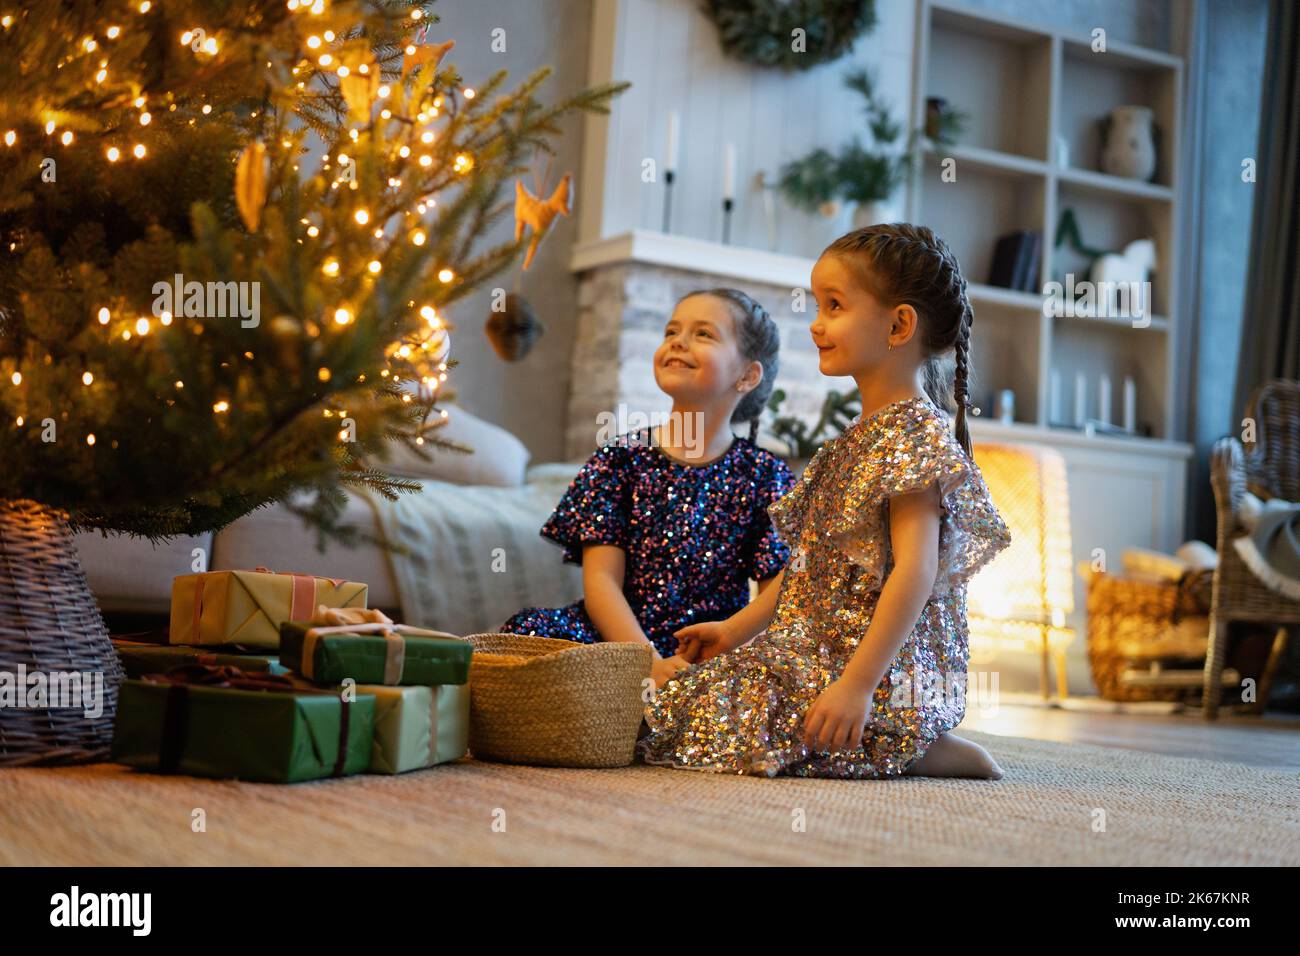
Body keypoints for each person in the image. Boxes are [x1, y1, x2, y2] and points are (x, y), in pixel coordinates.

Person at [639, 224, 1013, 779]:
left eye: (834, 306)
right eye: (818, 305)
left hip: (878, 667)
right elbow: (812, 570)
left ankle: (903, 735)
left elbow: (916, 570)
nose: (816, 324)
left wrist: (857, 686)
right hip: (816, 649)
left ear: (898, 324)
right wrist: (735, 629)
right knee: (680, 702)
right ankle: (883, 733)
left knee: (723, 722)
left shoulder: (914, 436)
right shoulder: (851, 442)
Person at [499, 288, 795, 690]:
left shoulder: (765, 475)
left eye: (703, 334)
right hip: (618, 639)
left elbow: (776, 589)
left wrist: (732, 640)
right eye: (672, 330)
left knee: (776, 679)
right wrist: (648, 663)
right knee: (529, 631)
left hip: (711, 648)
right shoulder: (620, 459)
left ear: (747, 375)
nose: (678, 340)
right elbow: (601, 582)